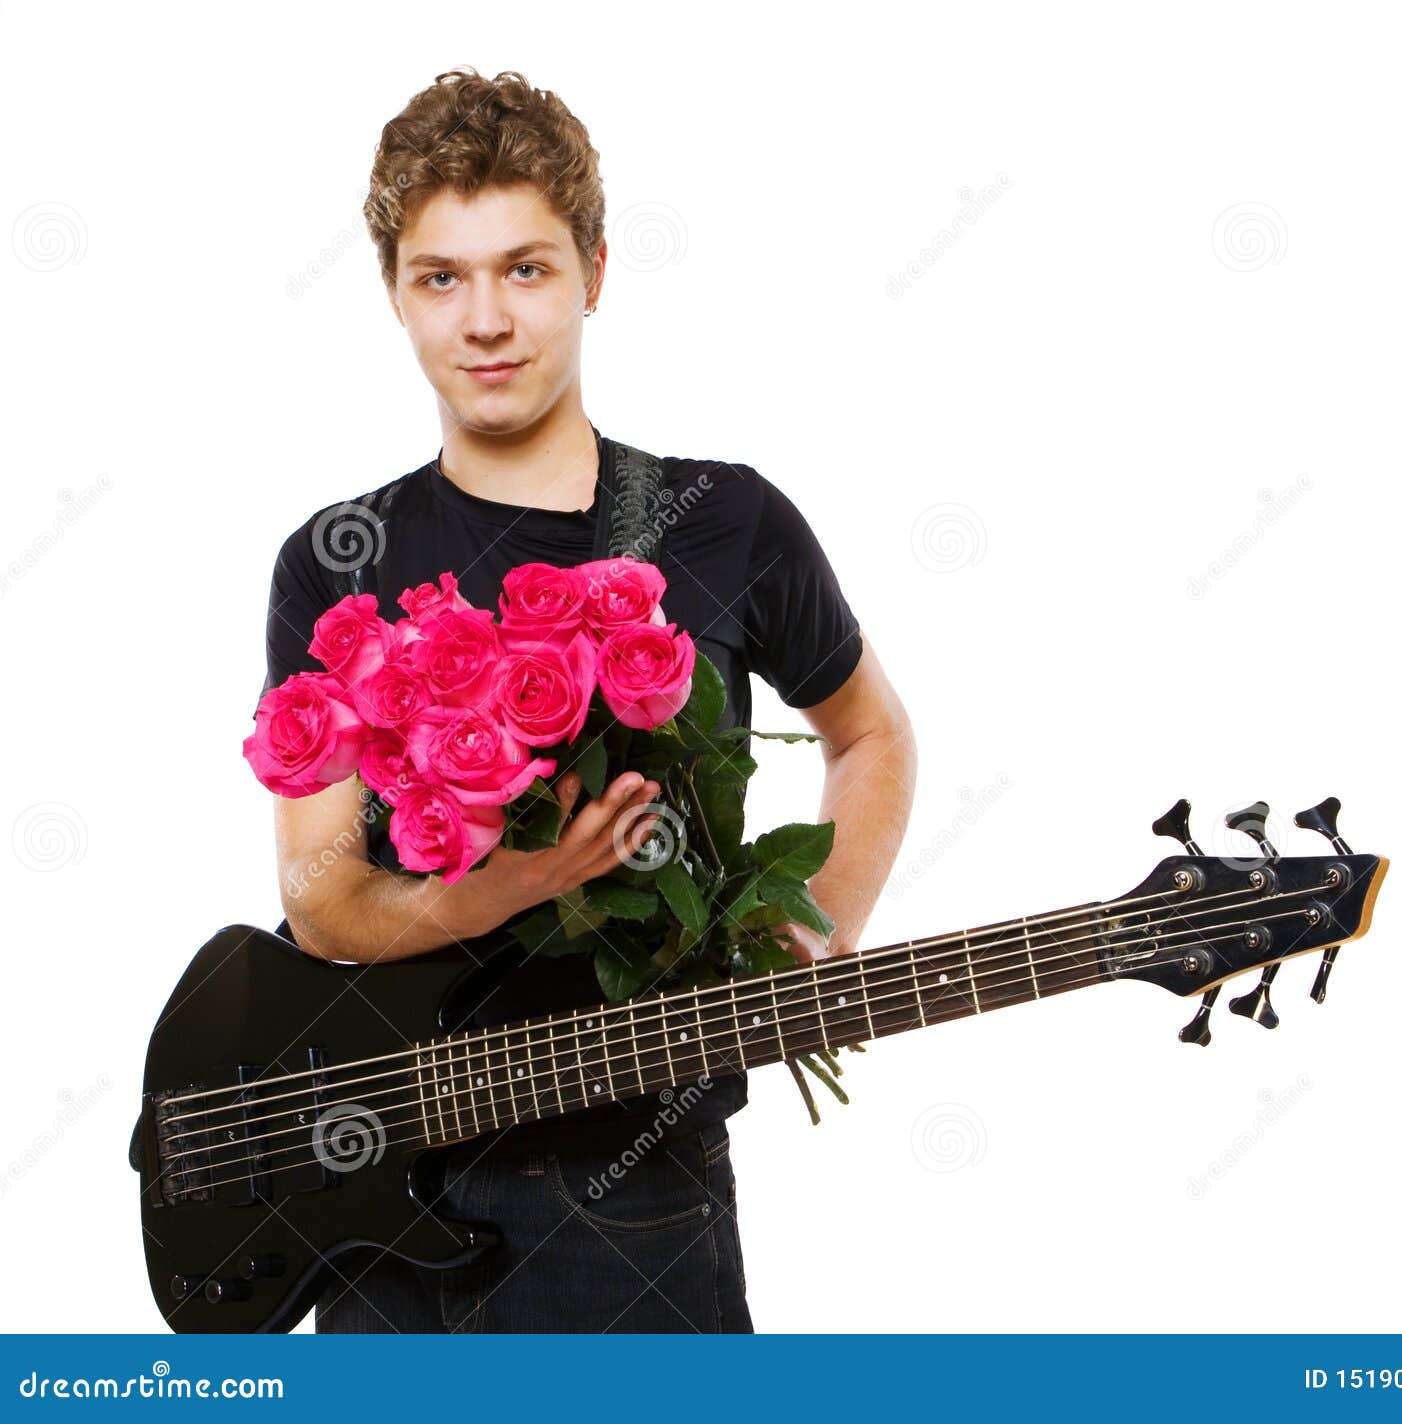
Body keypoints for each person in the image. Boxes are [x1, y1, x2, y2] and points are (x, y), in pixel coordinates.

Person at [260, 67, 917, 1333]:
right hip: (387, 1203)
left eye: (526, 268)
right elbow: (321, 904)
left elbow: (870, 729)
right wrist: (518, 881)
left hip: (640, 1204)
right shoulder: (336, 563)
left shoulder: (724, 521)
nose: (485, 320)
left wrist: (814, 928)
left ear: (595, 273)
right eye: (440, 277)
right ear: (394, 295)